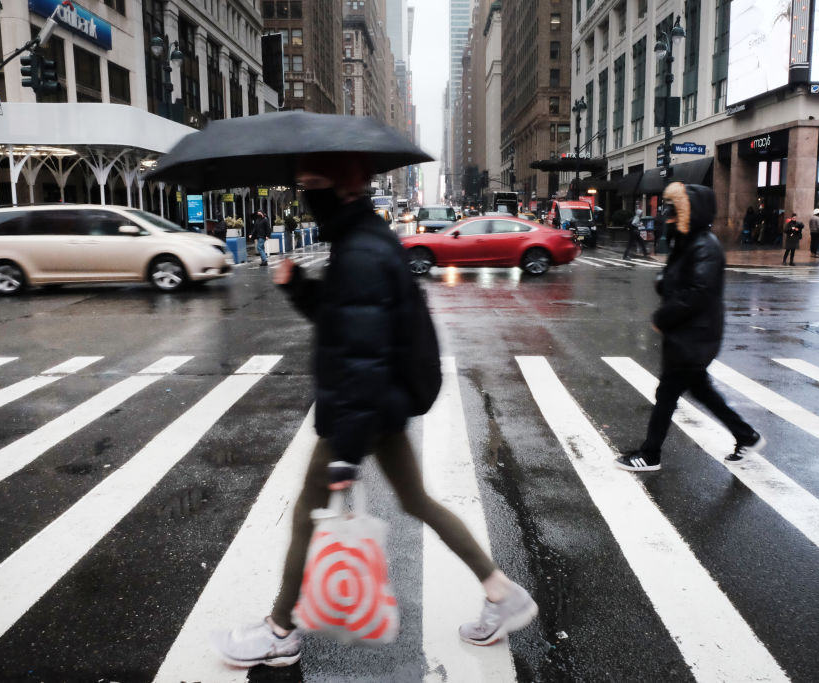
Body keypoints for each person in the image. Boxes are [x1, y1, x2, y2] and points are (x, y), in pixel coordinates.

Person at [210, 152, 537, 668]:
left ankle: (279, 629)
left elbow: (361, 352)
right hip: (381, 405)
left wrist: (344, 450)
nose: (305, 193)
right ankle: (501, 590)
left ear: (340, 187)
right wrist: (297, 286)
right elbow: (343, 319)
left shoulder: (360, 249)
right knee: (417, 501)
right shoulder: (358, 240)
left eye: (313, 183)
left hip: (362, 409)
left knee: (306, 513)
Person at [615, 182, 765, 472]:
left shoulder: (705, 246)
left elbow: (696, 294)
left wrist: (663, 318)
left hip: (694, 336)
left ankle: (650, 455)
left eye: (673, 209)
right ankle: (746, 436)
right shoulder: (688, 242)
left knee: (667, 395)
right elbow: (675, 283)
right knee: (702, 391)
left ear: (690, 212)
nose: (667, 214)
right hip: (689, 335)